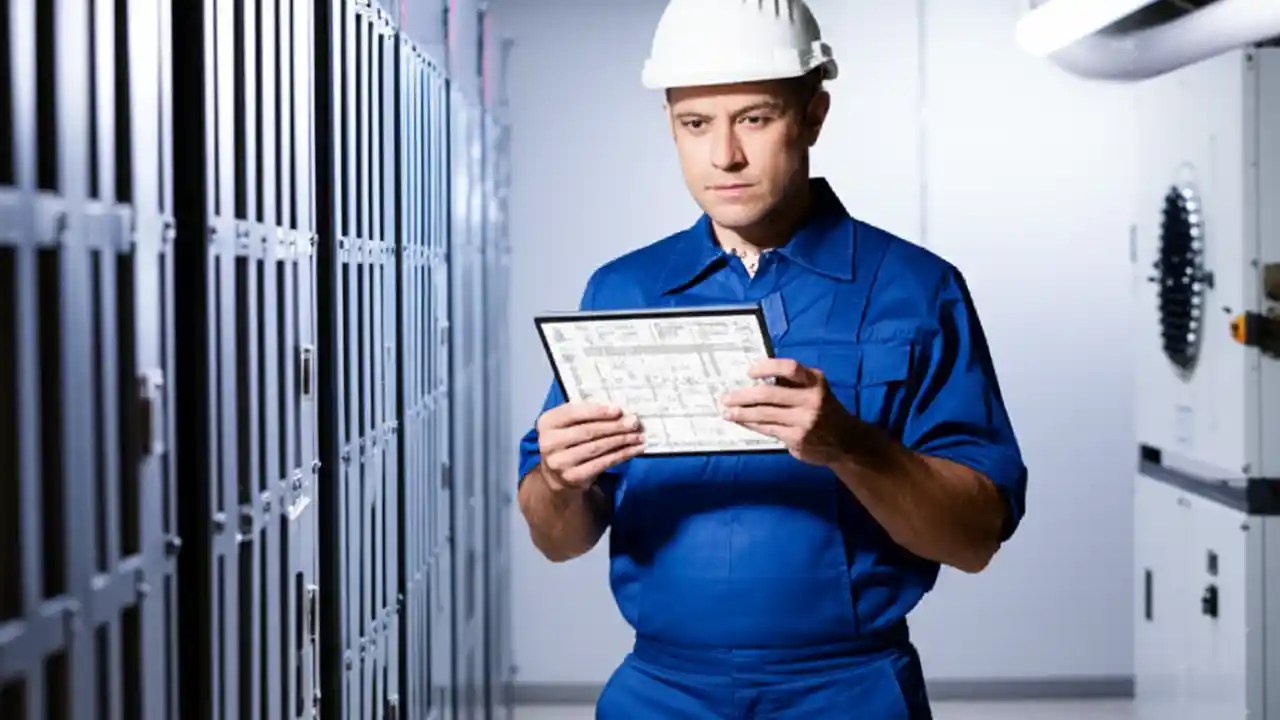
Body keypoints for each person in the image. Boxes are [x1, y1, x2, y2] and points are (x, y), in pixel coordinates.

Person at [516, 0, 1028, 717]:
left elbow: (975, 539)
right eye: (696, 124)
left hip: (848, 691)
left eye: (754, 118)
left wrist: (849, 446)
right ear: (671, 124)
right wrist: (558, 481)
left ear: (814, 115)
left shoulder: (916, 289)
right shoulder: (622, 290)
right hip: (661, 691)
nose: (724, 155)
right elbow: (556, 536)